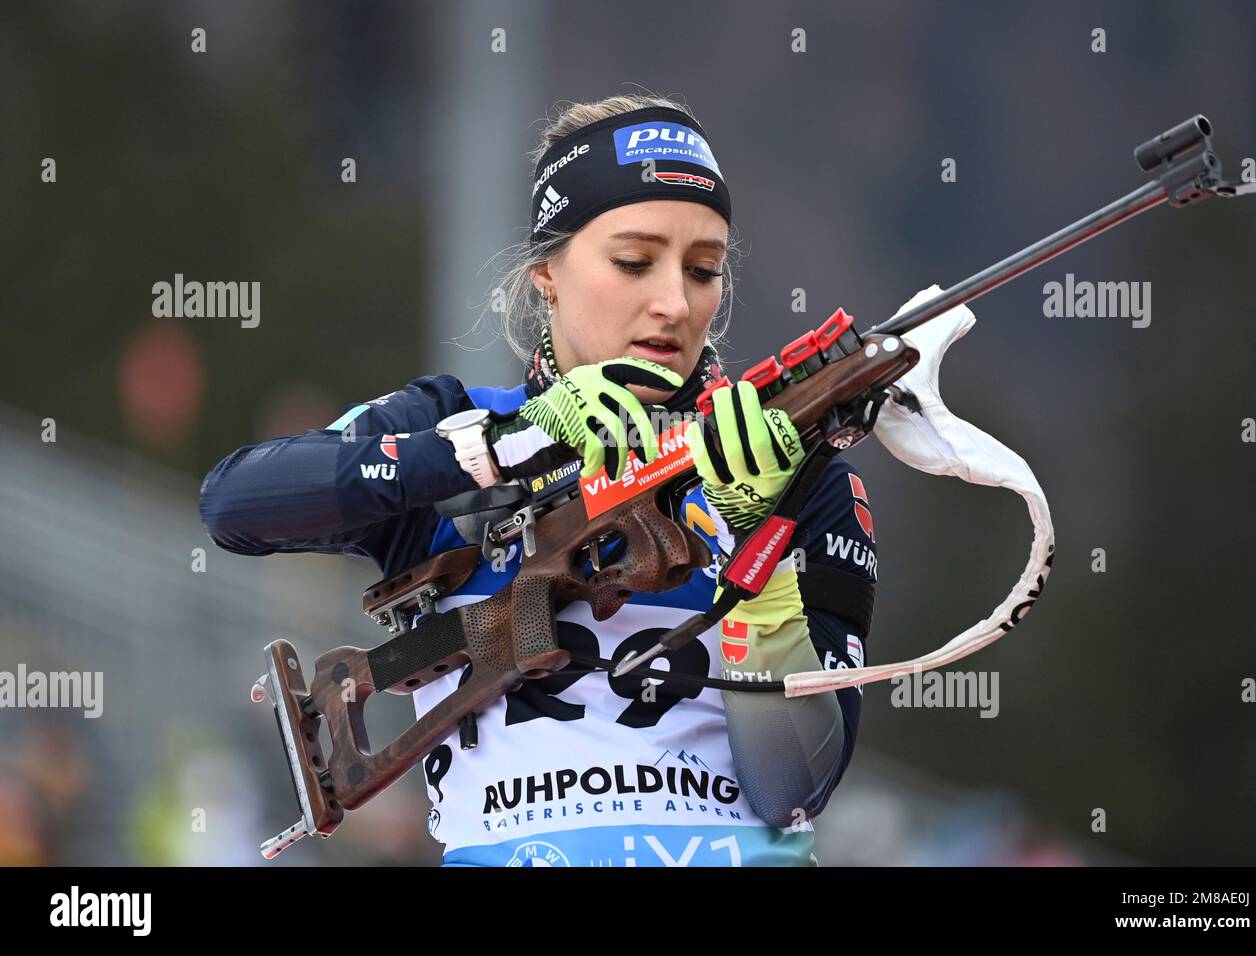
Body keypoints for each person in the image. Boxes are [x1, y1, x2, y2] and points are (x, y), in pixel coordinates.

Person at [199, 93, 878, 867]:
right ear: (547, 273)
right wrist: (498, 447)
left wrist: (758, 549)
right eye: (633, 261)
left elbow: (791, 783)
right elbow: (237, 503)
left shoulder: (791, 470)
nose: (674, 303)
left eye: (704, 270)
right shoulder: (452, 417)